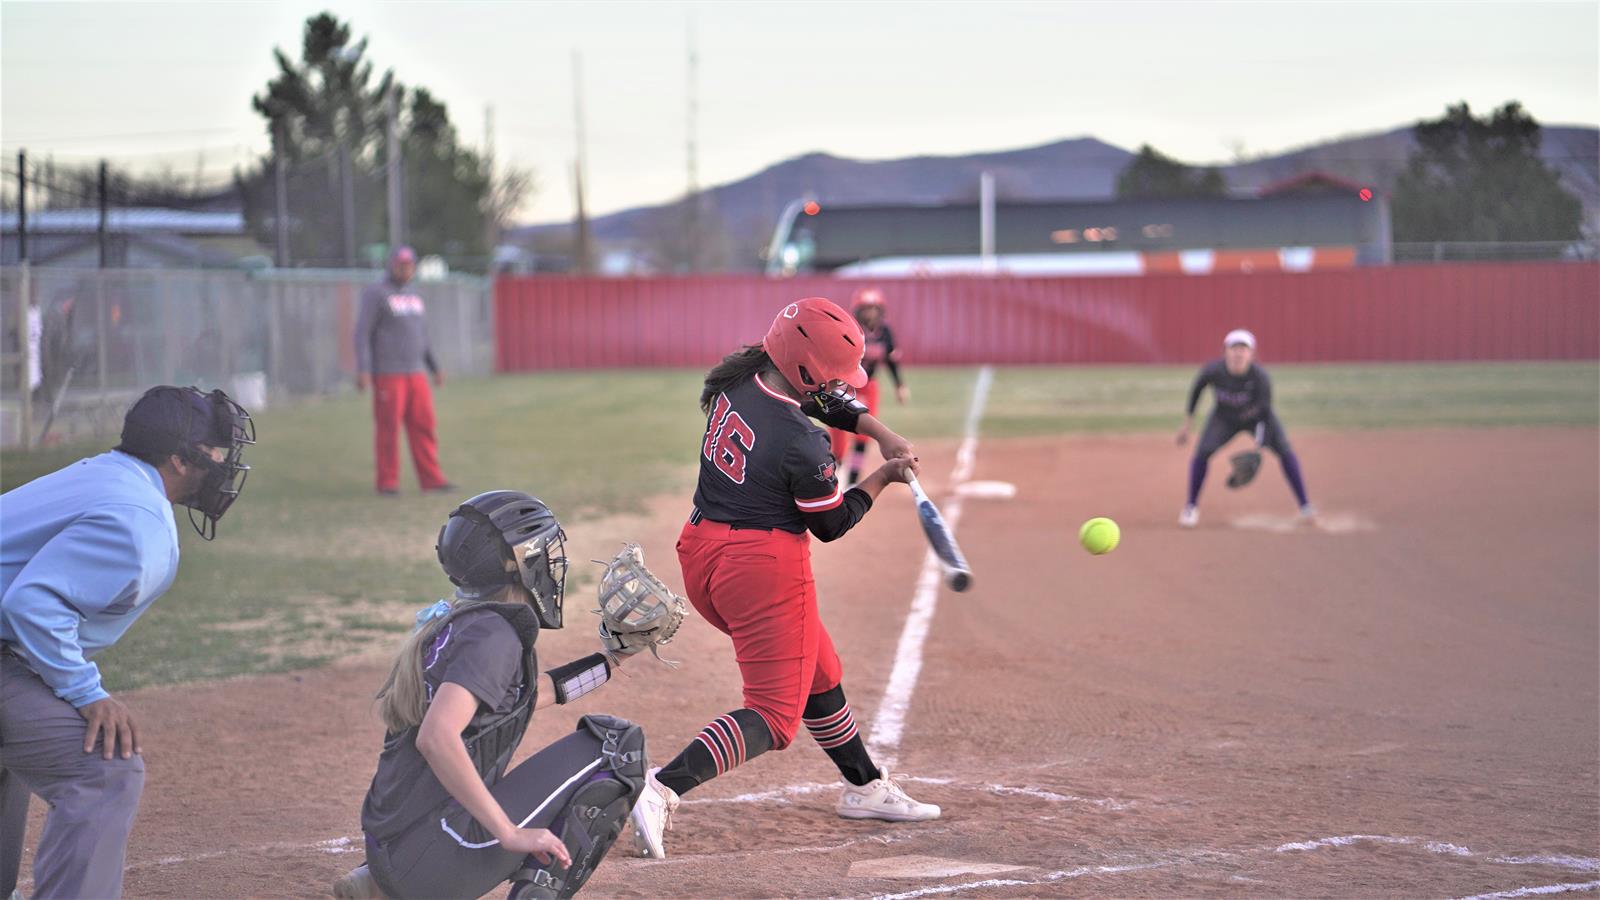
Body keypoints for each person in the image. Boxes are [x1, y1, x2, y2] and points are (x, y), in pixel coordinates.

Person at [628, 297, 940, 863]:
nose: (843, 388)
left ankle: (865, 786)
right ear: (803, 369)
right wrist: (883, 476)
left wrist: (878, 428)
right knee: (773, 714)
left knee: (818, 668)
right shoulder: (803, 440)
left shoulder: (743, 375)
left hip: (703, 550)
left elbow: (823, 397)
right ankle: (662, 787)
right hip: (762, 569)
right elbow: (831, 523)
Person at [333, 491, 660, 900]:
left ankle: (380, 884)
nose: (552, 562)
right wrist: (510, 834)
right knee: (620, 747)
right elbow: (436, 737)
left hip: (401, 851)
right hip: (440, 855)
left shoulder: (463, 622)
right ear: (517, 563)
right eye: (544, 551)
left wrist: (612, 659)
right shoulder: (494, 636)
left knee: (606, 744)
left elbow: (520, 701)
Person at [0, 386, 255, 899]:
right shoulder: (138, 520)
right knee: (103, 769)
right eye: (216, 455)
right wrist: (86, 692)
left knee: (28, 747)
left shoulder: (102, 472)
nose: (224, 468)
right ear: (179, 460)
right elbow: (31, 605)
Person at [1176, 329, 1315, 527]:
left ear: (1251, 354)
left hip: (1255, 418)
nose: (1238, 353)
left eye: (1243, 349)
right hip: (1223, 418)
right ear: (1225, 351)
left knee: (1285, 451)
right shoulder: (1213, 371)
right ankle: (1190, 507)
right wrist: (1187, 424)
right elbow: (1197, 389)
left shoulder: (1260, 378)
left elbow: (1265, 413)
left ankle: (1305, 506)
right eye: (1234, 348)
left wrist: (1259, 447)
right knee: (1202, 453)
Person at [354, 247, 453, 496]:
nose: (405, 269)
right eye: (400, 264)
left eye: (409, 265)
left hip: (416, 372)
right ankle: (387, 482)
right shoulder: (376, 293)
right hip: (388, 372)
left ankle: (431, 479)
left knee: (424, 425)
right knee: (388, 428)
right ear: (391, 265)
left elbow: (422, 335)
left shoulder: (415, 294)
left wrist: (434, 366)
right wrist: (363, 368)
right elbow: (362, 333)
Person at [828, 287, 909, 487]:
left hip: (868, 385)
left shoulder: (884, 332)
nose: (870, 313)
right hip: (844, 385)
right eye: (866, 309)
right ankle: (834, 479)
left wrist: (899, 385)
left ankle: (851, 483)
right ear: (858, 310)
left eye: (873, 308)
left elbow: (890, 359)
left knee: (864, 436)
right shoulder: (849, 329)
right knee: (838, 439)